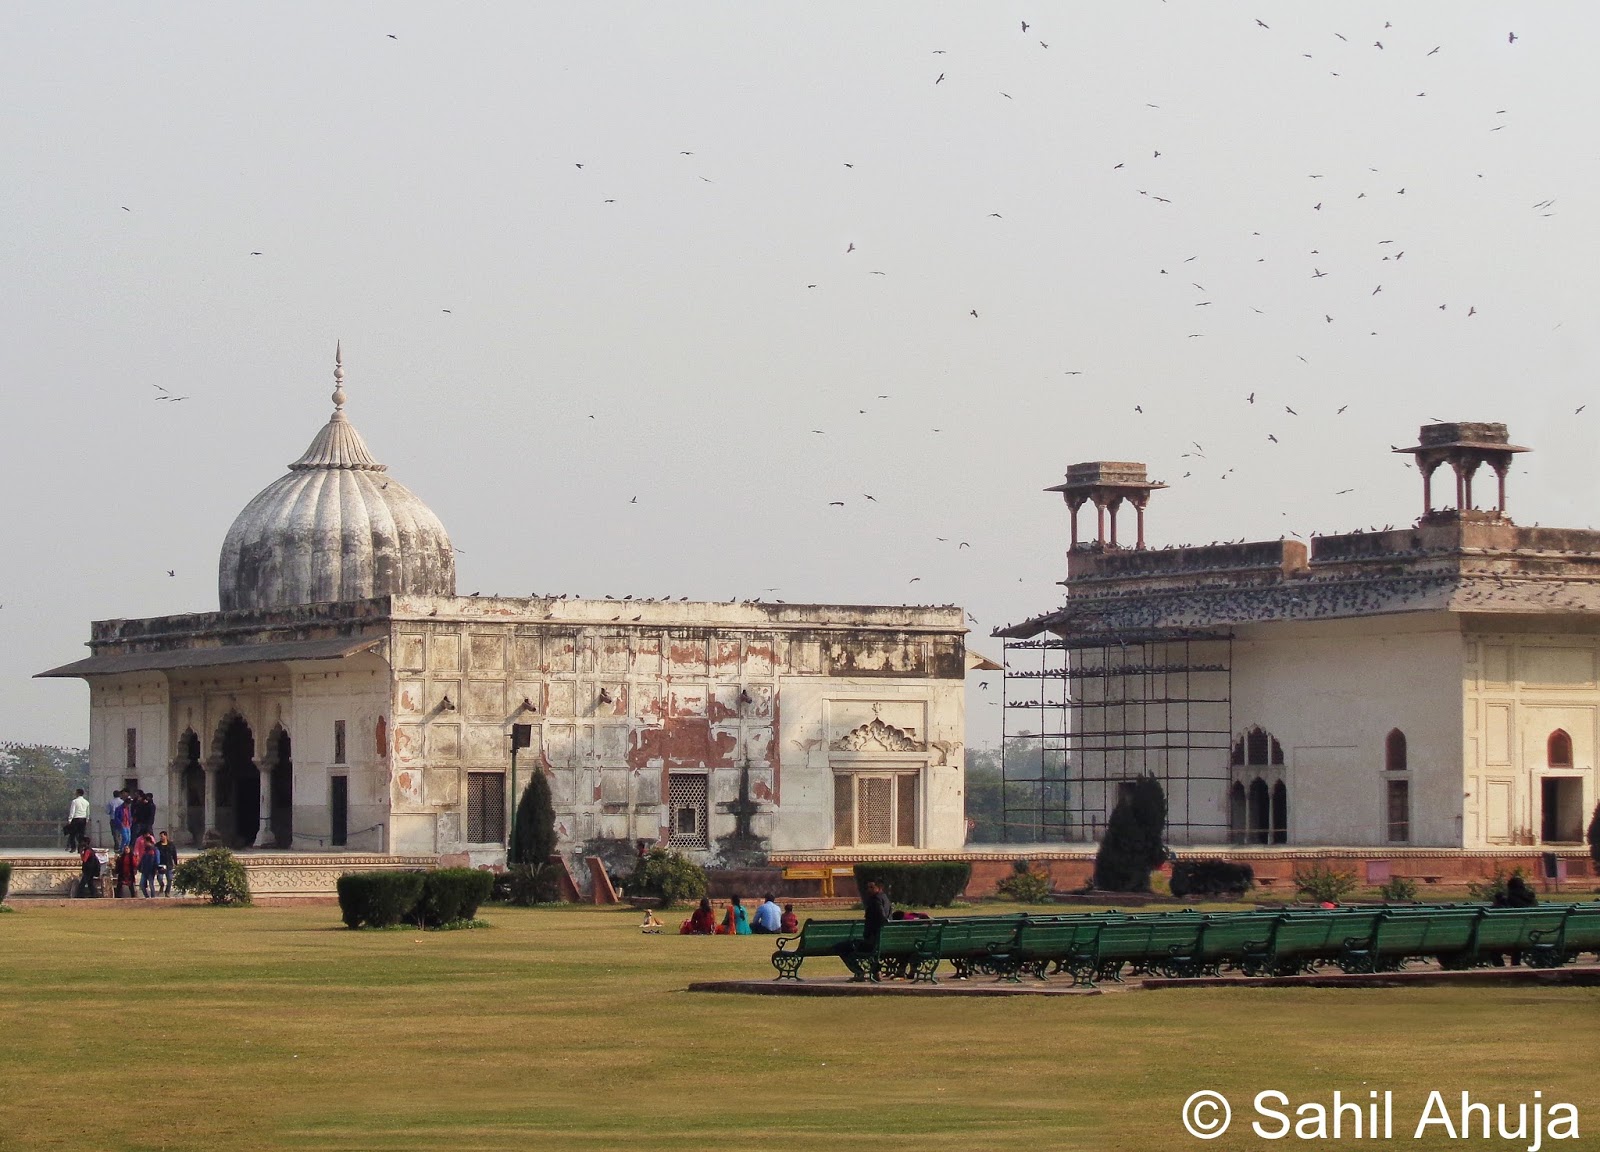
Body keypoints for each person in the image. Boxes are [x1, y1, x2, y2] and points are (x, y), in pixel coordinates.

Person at [839, 879, 892, 982]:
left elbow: (882, 918)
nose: (869, 890)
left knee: (841, 948)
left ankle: (859, 972)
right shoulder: (885, 899)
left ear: (879, 888)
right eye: (868, 887)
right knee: (872, 947)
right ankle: (876, 972)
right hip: (885, 942)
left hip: (874, 942)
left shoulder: (875, 901)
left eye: (872, 887)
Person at [135, 832, 159, 898]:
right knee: (142, 885)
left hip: (151, 870)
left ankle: (153, 897)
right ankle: (147, 897)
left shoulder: (154, 850)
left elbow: (157, 860)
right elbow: (142, 860)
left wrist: (156, 869)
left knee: (151, 884)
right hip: (145, 870)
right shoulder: (146, 851)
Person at [155, 831, 178, 897]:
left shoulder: (171, 845)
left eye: (162, 836)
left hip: (169, 864)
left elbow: (174, 855)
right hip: (161, 864)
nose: (161, 838)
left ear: (166, 836)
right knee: (160, 878)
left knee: (170, 879)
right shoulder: (157, 845)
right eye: (160, 836)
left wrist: (176, 863)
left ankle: (167, 892)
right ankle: (161, 885)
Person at [67, 788, 89, 853]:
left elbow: (72, 811)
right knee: (81, 834)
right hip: (83, 819)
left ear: (78, 793)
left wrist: (70, 819)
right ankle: (80, 848)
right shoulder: (86, 802)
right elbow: (88, 812)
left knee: (72, 834)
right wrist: (87, 819)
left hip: (76, 818)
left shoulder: (74, 801)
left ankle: (73, 847)